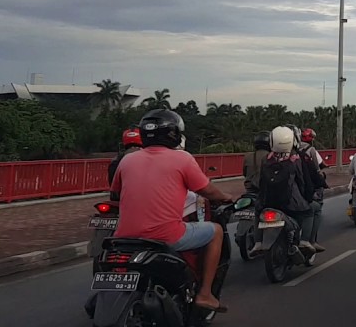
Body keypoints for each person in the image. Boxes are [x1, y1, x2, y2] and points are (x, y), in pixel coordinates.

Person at [110, 109, 231, 312]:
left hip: (125, 236)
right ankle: (205, 294)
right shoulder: (182, 159)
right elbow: (207, 190)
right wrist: (225, 196)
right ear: (174, 134)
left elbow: (115, 192)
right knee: (216, 231)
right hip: (166, 236)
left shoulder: (127, 160)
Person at [259, 126, 319, 254]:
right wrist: (307, 197)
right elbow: (302, 181)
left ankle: (258, 242)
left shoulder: (266, 159)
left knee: (258, 213)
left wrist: (262, 201)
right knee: (311, 210)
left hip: (269, 201)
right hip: (292, 203)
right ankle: (304, 241)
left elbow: (262, 182)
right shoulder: (295, 158)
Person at [295, 127, 328, 252]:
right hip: (303, 188)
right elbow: (316, 168)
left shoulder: (271, 157)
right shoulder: (310, 150)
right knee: (316, 208)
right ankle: (310, 240)